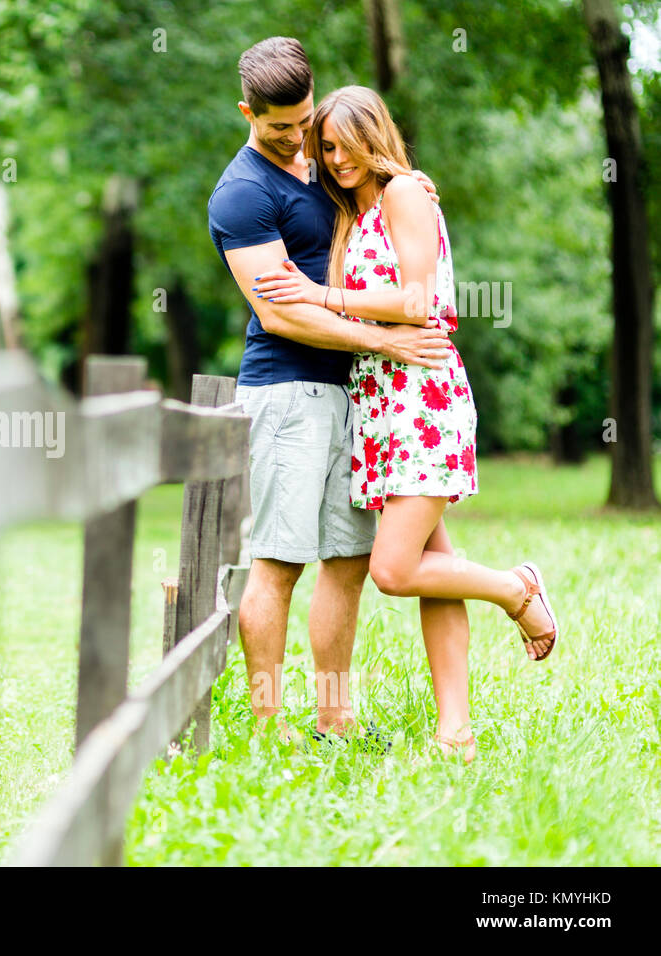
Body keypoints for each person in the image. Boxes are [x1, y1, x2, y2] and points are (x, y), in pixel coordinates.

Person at [251, 85, 560, 762]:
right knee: (435, 564)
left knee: (393, 569)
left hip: (423, 397)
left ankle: (516, 588)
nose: (335, 159)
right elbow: (351, 317)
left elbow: (416, 300)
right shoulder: (349, 216)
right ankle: (456, 731)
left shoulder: (403, 195)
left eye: (344, 144)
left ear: (374, 134)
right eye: (323, 147)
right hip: (377, 404)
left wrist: (318, 293)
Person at [208, 36, 453, 747]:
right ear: (247, 111)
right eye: (277, 127)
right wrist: (383, 338)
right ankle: (266, 726)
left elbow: (376, 197)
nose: (294, 139)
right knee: (279, 565)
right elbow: (280, 310)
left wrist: (411, 184)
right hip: (286, 395)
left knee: (346, 565)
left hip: (355, 395)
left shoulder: (319, 159)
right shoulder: (243, 192)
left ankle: (334, 719)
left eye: (302, 121)